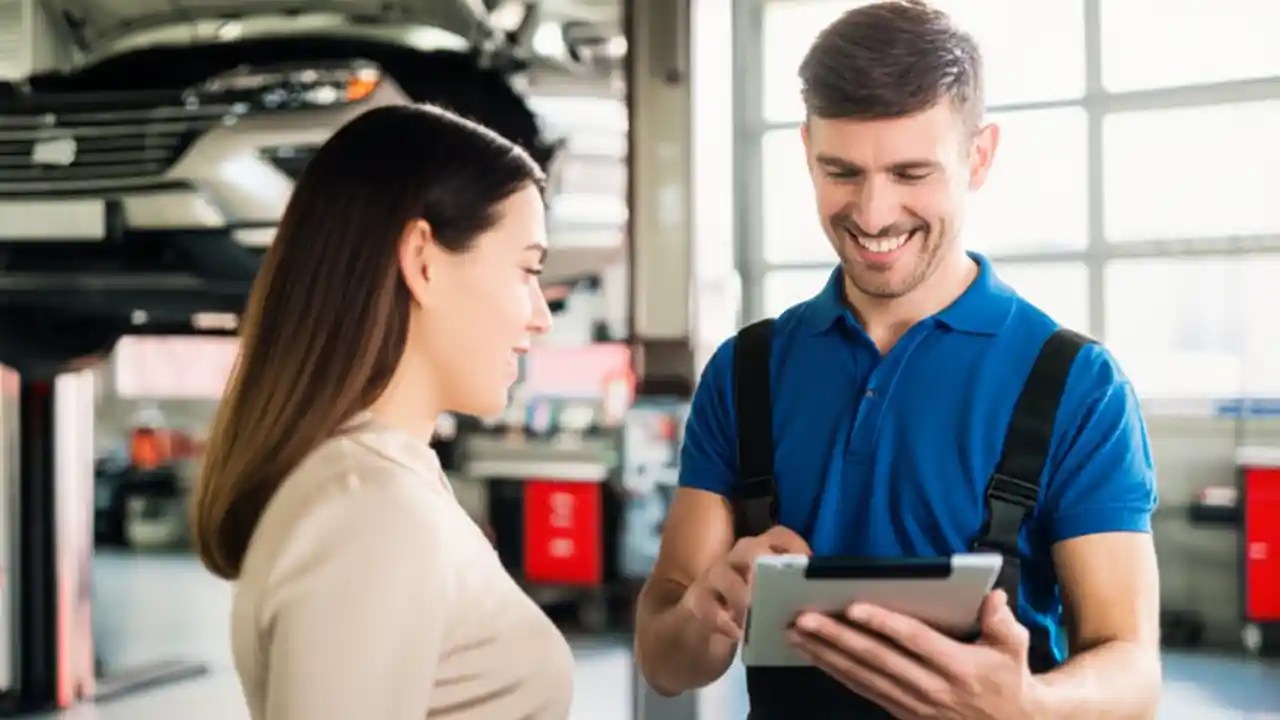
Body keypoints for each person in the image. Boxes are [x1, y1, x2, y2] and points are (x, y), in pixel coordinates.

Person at [635, 1, 1161, 718]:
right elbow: (665, 663)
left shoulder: (1077, 387)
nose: (874, 214)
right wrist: (705, 609)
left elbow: (1134, 673)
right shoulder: (745, 372)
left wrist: (1028, 706)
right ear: (806, 153)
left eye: (912, 173)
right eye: (840, 171)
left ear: (979, 157)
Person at [190, 103, 573, 719]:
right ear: (422, 260)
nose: (540, 314)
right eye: (526, 269)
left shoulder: (384, 481)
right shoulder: (367, 507)